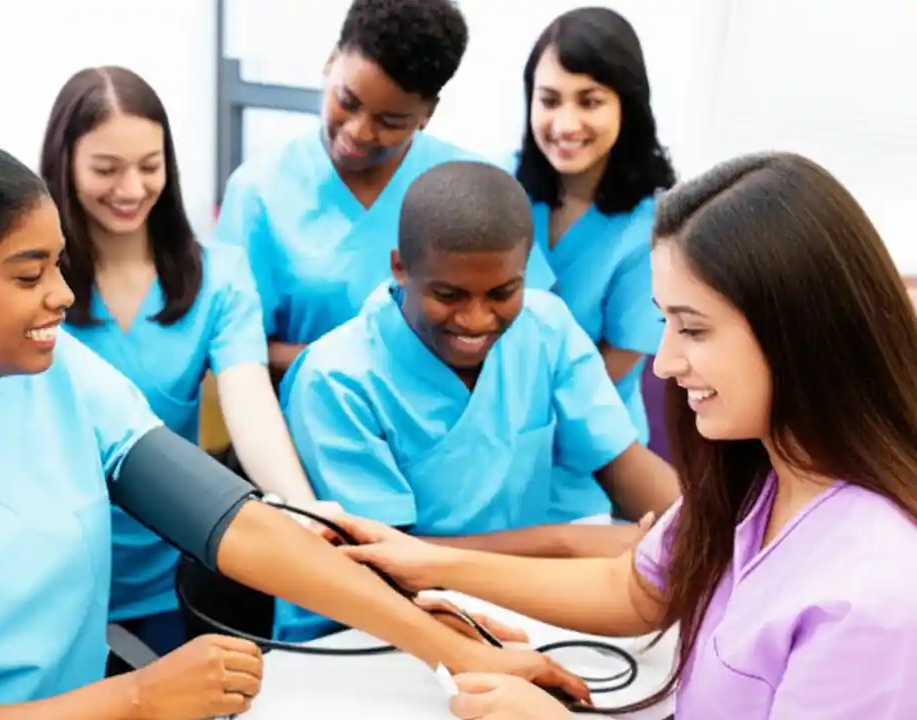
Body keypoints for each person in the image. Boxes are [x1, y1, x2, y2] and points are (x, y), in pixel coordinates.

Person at [0, 133, 593, 718]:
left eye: (58, 264)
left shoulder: (58, 377)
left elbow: (238, 526)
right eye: (28, 274)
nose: (61, 295)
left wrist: (455, 647)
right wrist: (135, 698)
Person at [330, 152, 917, 718]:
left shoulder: (874, 593)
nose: (664, 363)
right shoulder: (763, 475)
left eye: (693, 329)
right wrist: (430, 562)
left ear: (798, 330)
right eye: (665, 321)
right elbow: (636, 590)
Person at [276, 160, 678, 642]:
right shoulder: (336, 379)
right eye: (448, 295)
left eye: (503, 292)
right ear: (400, 268)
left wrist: (703, 533)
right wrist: (566, 543)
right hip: (360, 626)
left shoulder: (545, 327)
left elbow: (620, 463)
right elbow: (386, 559)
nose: (476, 319)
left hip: (503, 598)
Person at [39, 65, 332, 657]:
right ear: (64, 164)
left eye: (149, 166)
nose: (130, 189)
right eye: (106, 169)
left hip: (165, 573)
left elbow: (252, 410)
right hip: (48, 579)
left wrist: (305, 511)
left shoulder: (219, 278)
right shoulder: (32, 281)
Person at [215, 0, 556, 381]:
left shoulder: (477, 186)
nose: (358, 132)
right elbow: (232, 346)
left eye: (390, 121)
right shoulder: (259, 191)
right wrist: (357, 366)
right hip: (313, 407)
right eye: (347, 101)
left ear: (427, 114)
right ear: (331, 61)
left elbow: (533, 328)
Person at [510, 7, 677, 446]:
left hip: (589, 441)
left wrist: (513, 424)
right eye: (549, 100)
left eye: (590, 101)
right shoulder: (498, 185)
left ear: (628, 104)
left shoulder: (656, 227)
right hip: (490, 424)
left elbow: (613, 362)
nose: (565, 125)